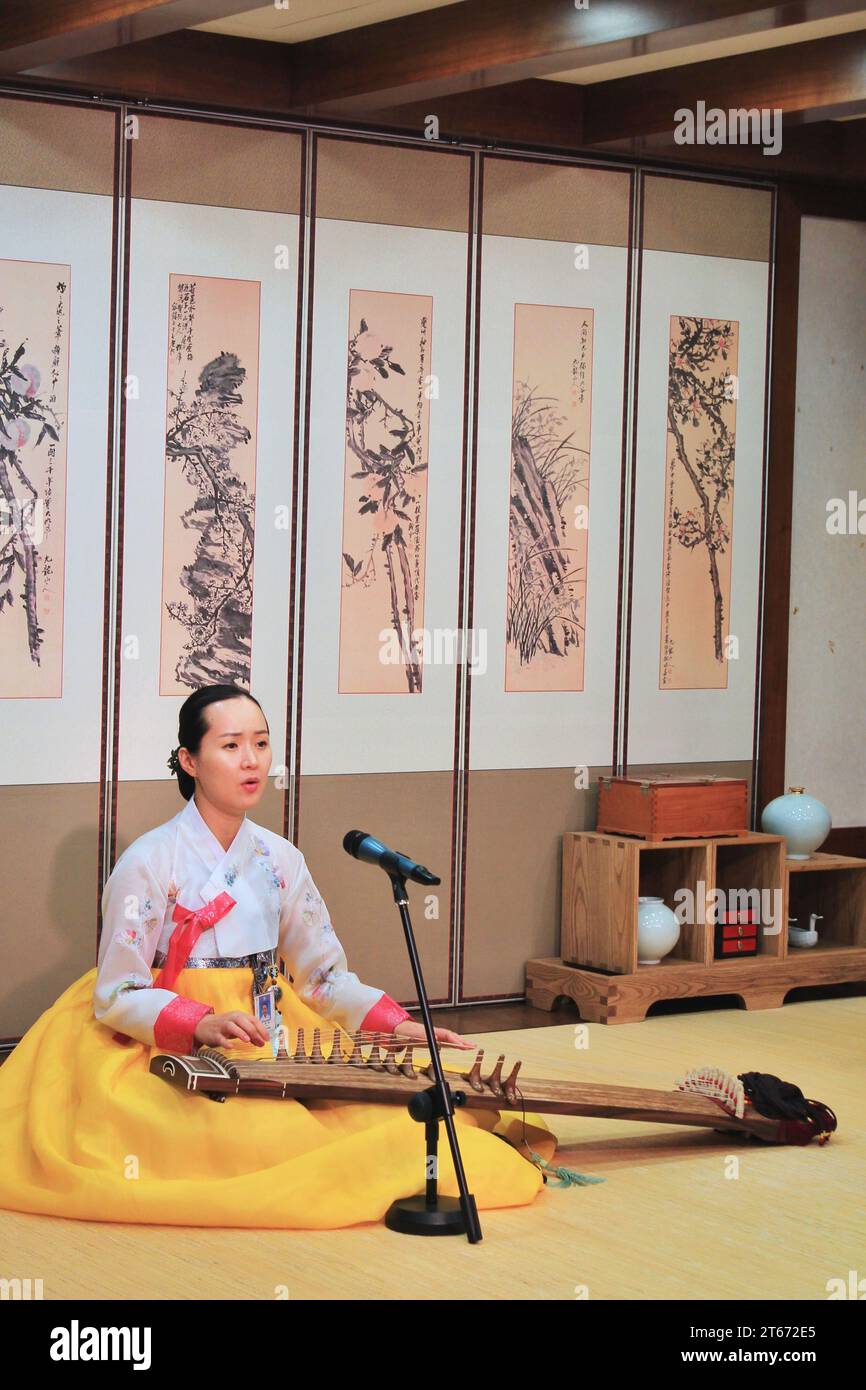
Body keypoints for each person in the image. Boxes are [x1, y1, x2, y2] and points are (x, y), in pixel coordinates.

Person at [0, 683, 557, 1229]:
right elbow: (116, 991)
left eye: (262, 744)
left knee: (384, 1119)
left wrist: (399, 1025)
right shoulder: (149, 861)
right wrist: (202, 1022)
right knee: (257, 1139)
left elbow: (322, 979)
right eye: (231, 745)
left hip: (270, 1029)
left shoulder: (280, 859)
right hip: (166, 1041)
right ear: (189, 760)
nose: (252, 762)